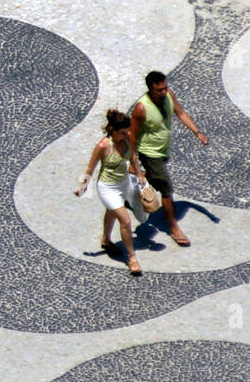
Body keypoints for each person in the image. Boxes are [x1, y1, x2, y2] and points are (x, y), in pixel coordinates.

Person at [129, 70, 208, 247]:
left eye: (165, 88)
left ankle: (130, 186)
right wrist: (133, 158)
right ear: (151, 89)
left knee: (152, 177)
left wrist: (197, 132)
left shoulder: (169, 95)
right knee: (166, 188)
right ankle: (173, 228)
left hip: (163, 150)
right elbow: (132, 136)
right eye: (160, 90)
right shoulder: (141, 108)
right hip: (149, 153)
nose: (164, 92)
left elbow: (180, 113)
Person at [76, 109, 148, 275]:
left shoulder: (128, 139)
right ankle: (131, 257)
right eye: (122, 132)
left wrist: (139, 175)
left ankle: (106, 240)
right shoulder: (103, 146)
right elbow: (90, 168)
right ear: (112, 131)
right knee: (126, 221)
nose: (126, 134)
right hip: (107, 188)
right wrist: (83, 186)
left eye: (127, 131)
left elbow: (133, 158)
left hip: (123, 184)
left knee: (111, 212)